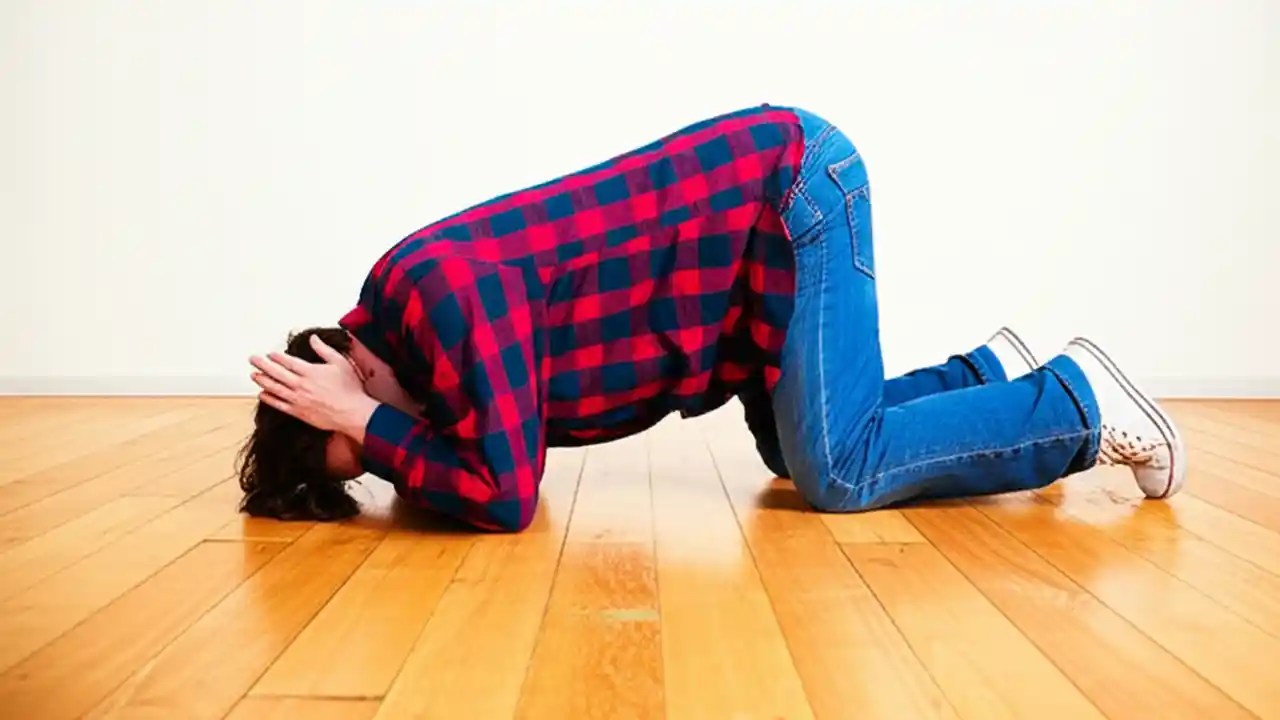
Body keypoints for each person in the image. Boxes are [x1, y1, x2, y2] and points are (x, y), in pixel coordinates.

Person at [241, 105, 1185, 531]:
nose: (398, 454)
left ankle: (1077, 405)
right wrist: (379, 432)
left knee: (840, 471)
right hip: (744, 264)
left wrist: (370, 429)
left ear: (354, 371)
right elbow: (454, 466)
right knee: (797, 455)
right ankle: (986, 381)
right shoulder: (411, 331)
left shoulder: (442, 300)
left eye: (367, 438)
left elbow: (502, 494)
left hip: (789, 197)